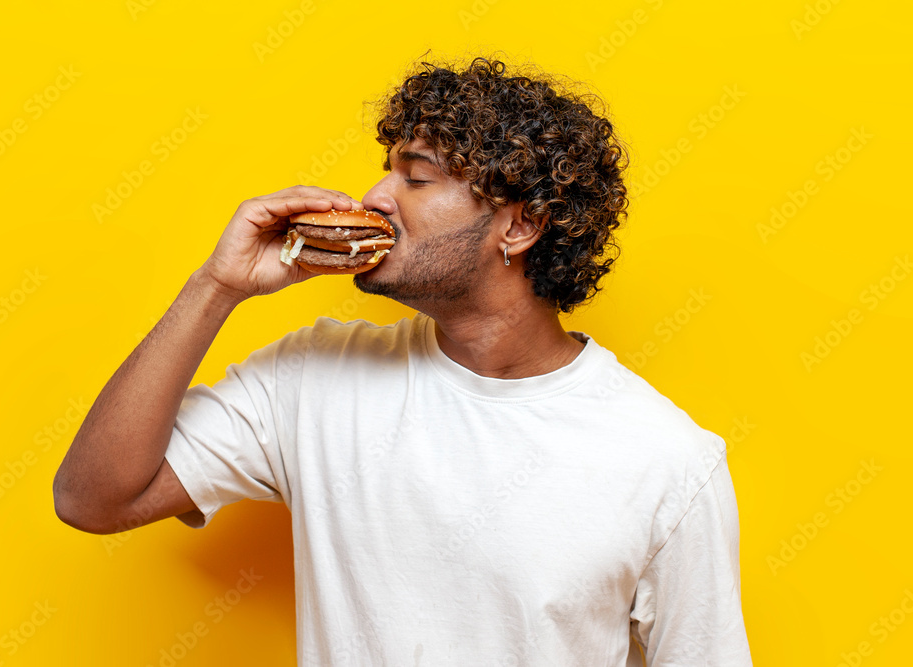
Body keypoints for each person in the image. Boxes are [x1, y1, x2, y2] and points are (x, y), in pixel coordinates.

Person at [53, 57, 752, 666]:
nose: (374, 198)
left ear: (519, 224)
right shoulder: (312, 377)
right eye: (386, 170)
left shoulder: (668, 463)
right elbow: (93, 499)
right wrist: (217, 285)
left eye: (414, 178)